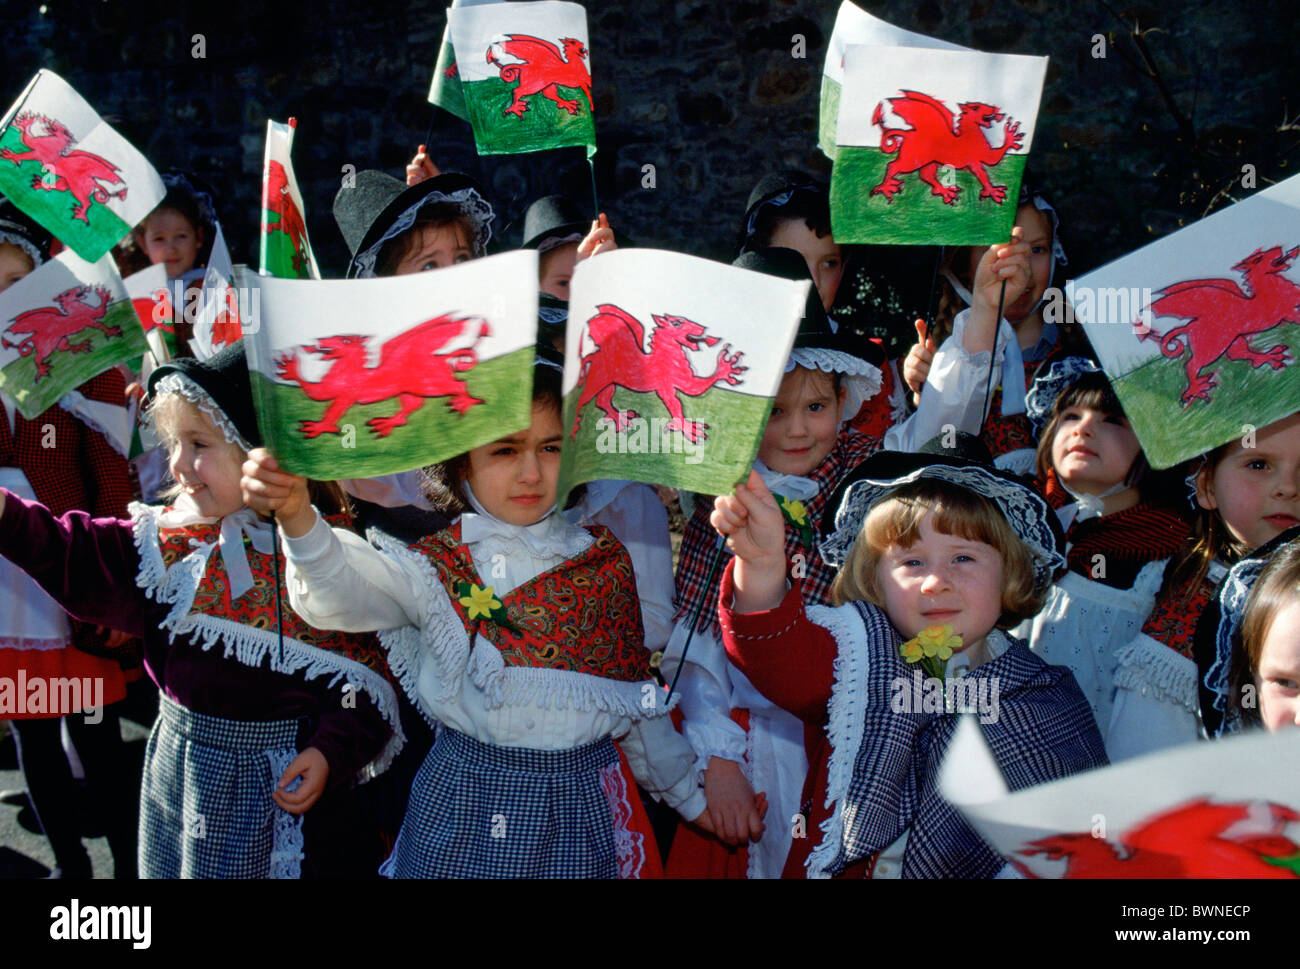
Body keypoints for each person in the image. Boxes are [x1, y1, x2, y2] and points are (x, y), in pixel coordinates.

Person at [242, 349, 710, 877]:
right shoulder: (438, 565)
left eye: (551, 447)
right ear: (462, 462)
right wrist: (297, 515)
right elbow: (347, 590)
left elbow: (635, 706)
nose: (531, 472)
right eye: (505, 450)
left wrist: (693, 800)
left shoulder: (602, 564)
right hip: (464, 807)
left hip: (575, 818)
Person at [0, 342, 401, 878]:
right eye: (173, 444)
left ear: (262, 454)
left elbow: (365, 688)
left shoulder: (327, 558)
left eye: (199, 444)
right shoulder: (165, 549)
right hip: (185, 782)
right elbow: (65, 548)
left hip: (287, 797)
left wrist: (329, 753)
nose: (178, 465)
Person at [717, 449, 1107, 877]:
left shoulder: (1044, 696)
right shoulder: (857, 653)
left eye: (963, 558)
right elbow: (780, 657)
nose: (936, 582)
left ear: (1009, 575)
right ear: (875, 580)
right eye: (912, 562)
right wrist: (763, 567)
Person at [662, 247, 882, 878]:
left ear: (843, 400)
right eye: (773, 411)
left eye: (815, 407)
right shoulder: (723, 495)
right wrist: (718, 758)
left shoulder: (864, 490)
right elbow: (696, 637)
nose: (796, 431)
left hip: (835, 738)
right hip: (740, 729)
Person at [0, 198, 139, 878]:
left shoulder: (78, 361)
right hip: (8, 586)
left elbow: (111, 469)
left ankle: (131, 866)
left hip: (72, 571)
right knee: (31, 728)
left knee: (96, 731)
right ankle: (68, 871)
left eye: (11, 284)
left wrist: (114, 577)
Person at [1008, 359, 1190, 737]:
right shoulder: (1011, 524)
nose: (1084, 429)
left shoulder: (1167, 555)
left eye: (1112, 420)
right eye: (1071, 415)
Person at [1110, 413, 1300, 755]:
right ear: (1207, 485)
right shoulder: (1182, 635)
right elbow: (1147, 782)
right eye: (1258, 465)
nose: (1288, 487)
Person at [899, 186, 1084, 472]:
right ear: (964, 266)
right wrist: (931, 396)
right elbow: (936, 448)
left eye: (1036, 249)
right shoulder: (943, 358)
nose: (1021, 266)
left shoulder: (1082, 352)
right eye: (998, 250)